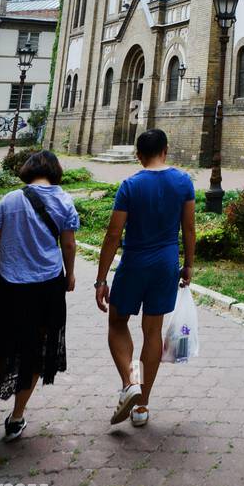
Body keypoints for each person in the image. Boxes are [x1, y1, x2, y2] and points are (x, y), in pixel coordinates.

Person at [0, 150, 78, 441]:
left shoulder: (11, 199)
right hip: (47, 286)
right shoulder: (65, 200)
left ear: (28, 170)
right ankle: (16, 418)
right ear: (55, 171)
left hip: (8, 286)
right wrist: (71, 274)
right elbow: (68, 244)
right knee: (35, 350)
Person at [94, 128, 195, 428]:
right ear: (166, 150)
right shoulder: (183, 181)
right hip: (166, 263)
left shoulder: (130, 185)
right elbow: (189, 228)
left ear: (139, 156)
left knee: (117, 322)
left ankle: (130, 382)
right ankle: (142, 406)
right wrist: (188, 264)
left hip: (135, 261)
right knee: (153, 331)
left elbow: (114, 234)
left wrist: (101, 279)